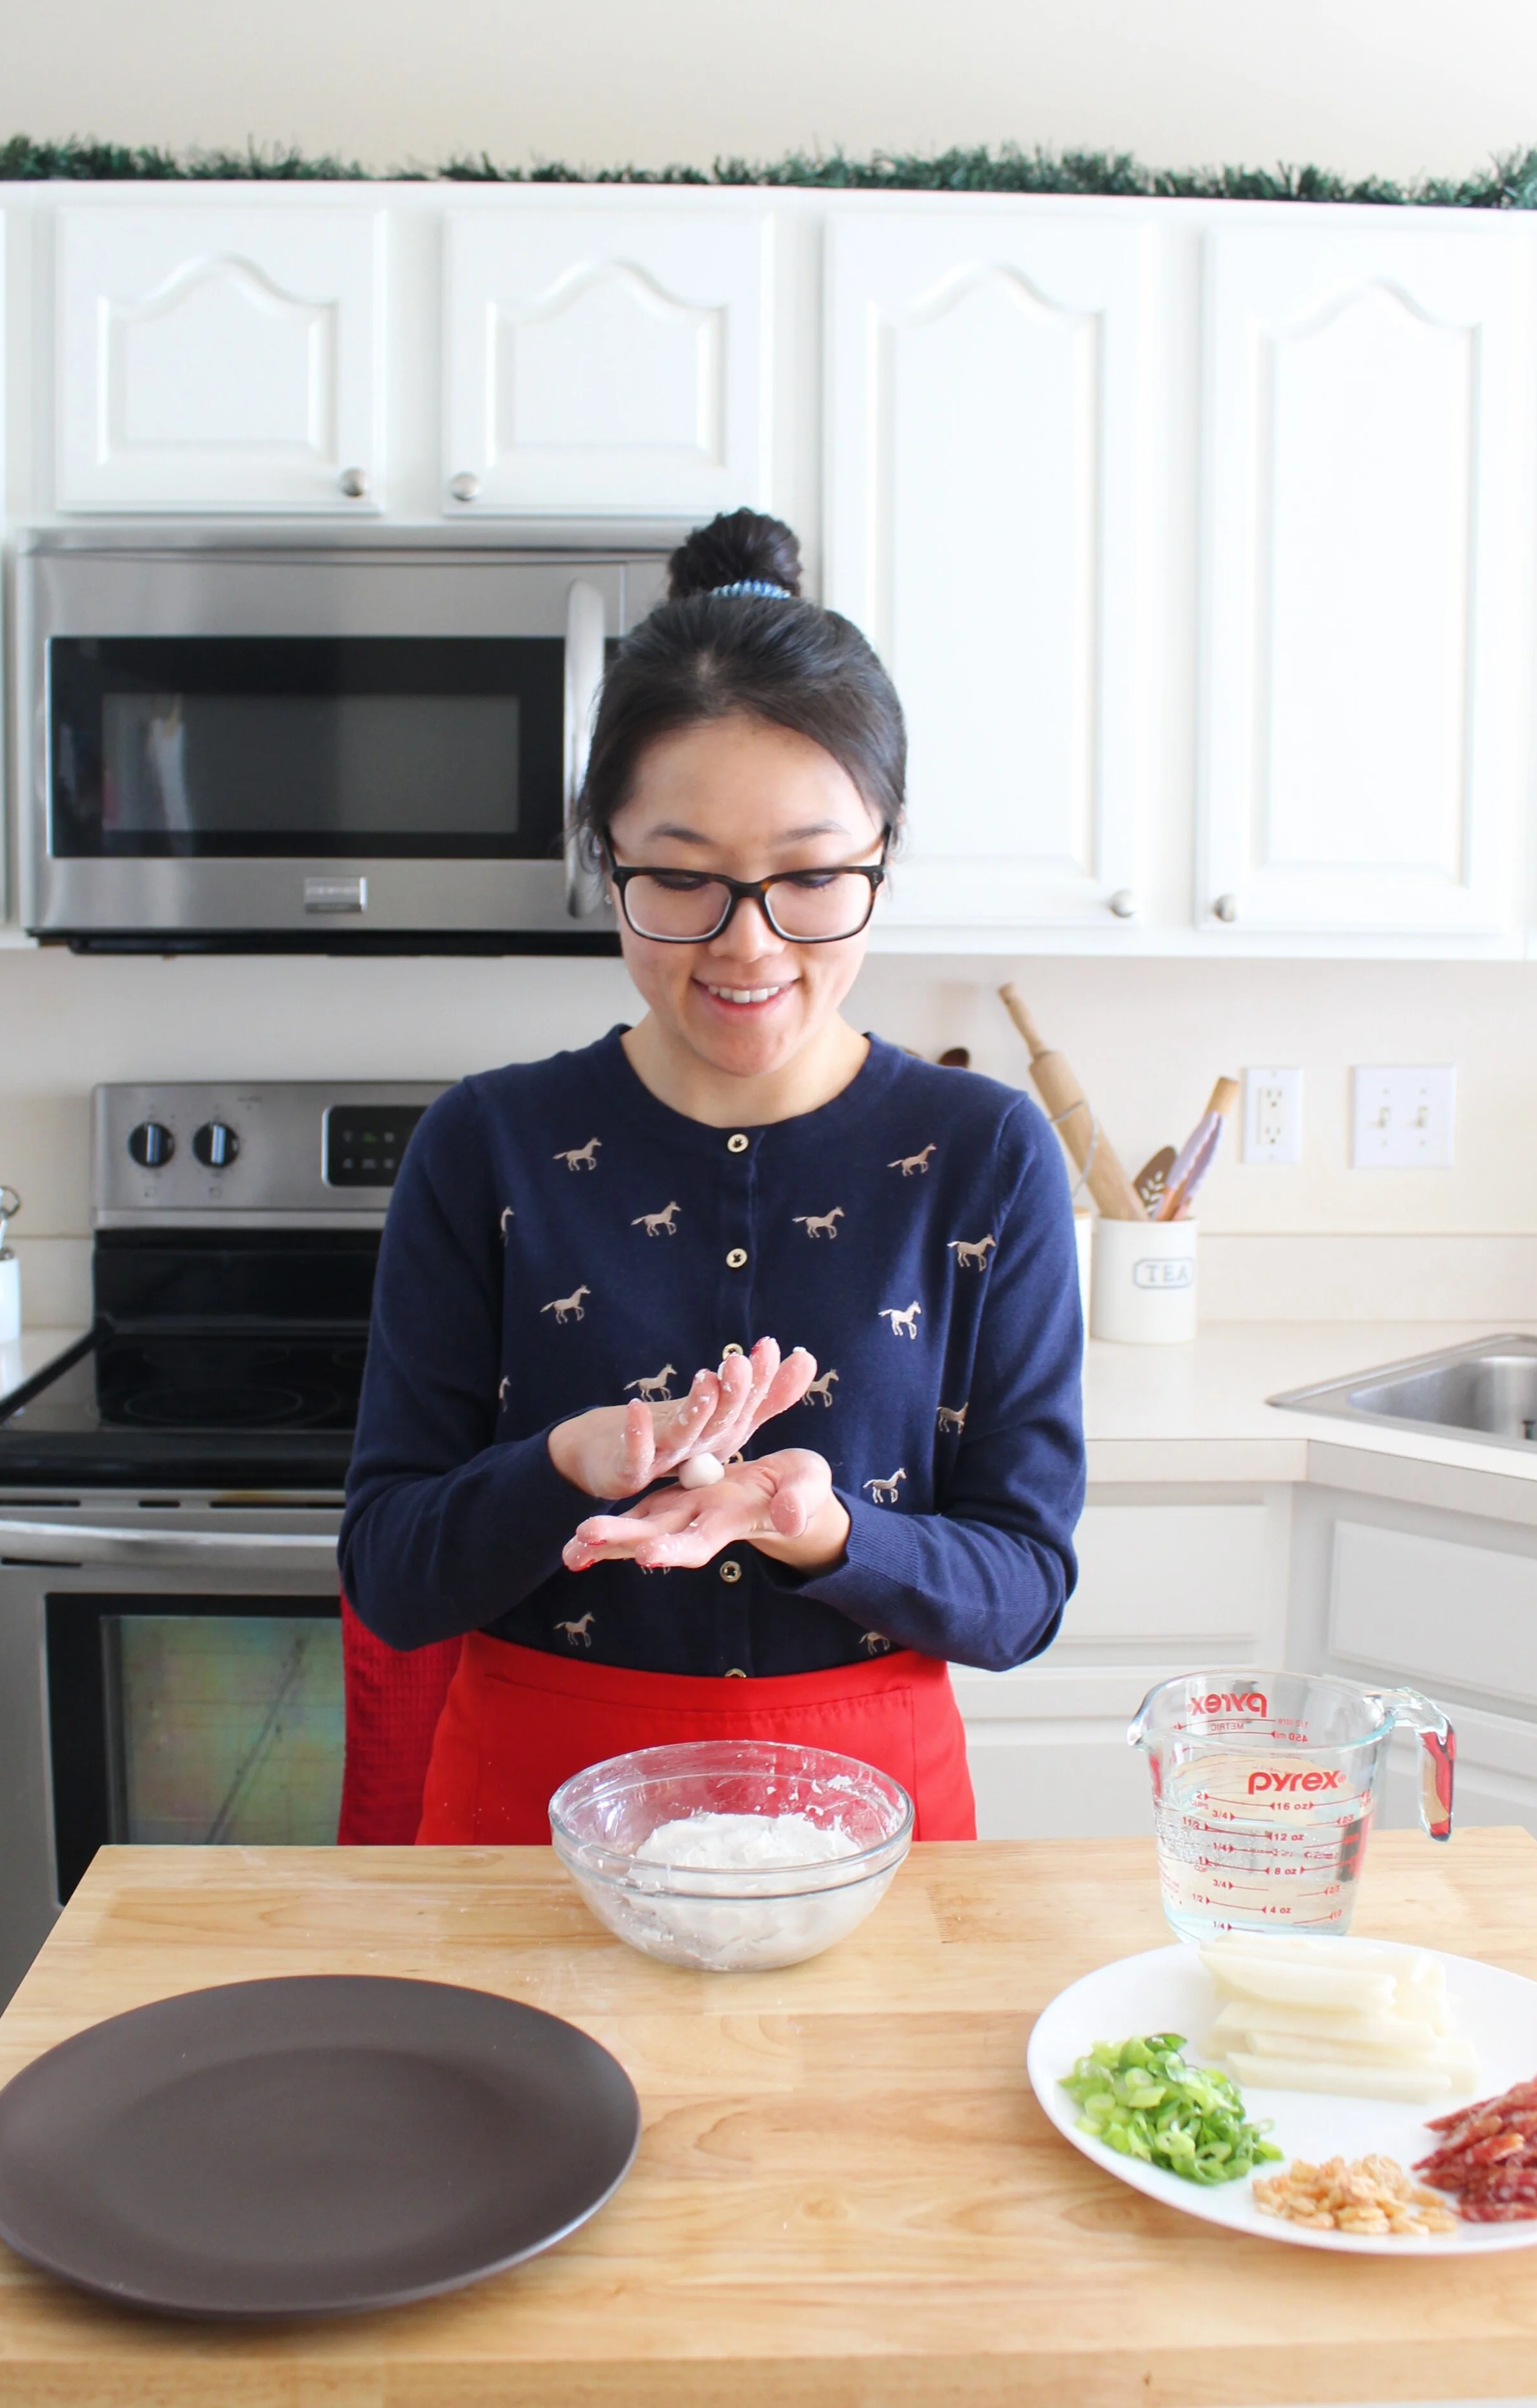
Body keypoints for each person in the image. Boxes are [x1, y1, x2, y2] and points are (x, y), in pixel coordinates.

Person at [338, 508, 1085, 1844]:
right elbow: (392, 1576)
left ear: (883, 854)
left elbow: (1023, 1588)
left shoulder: (984, 1155)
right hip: (531, 1831)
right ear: (606, 859)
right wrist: (566, 1465)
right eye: (682, 880)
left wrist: (829, 1532)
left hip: (870, 1835)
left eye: (812, 877)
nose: (749, 946)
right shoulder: (484, 1144)